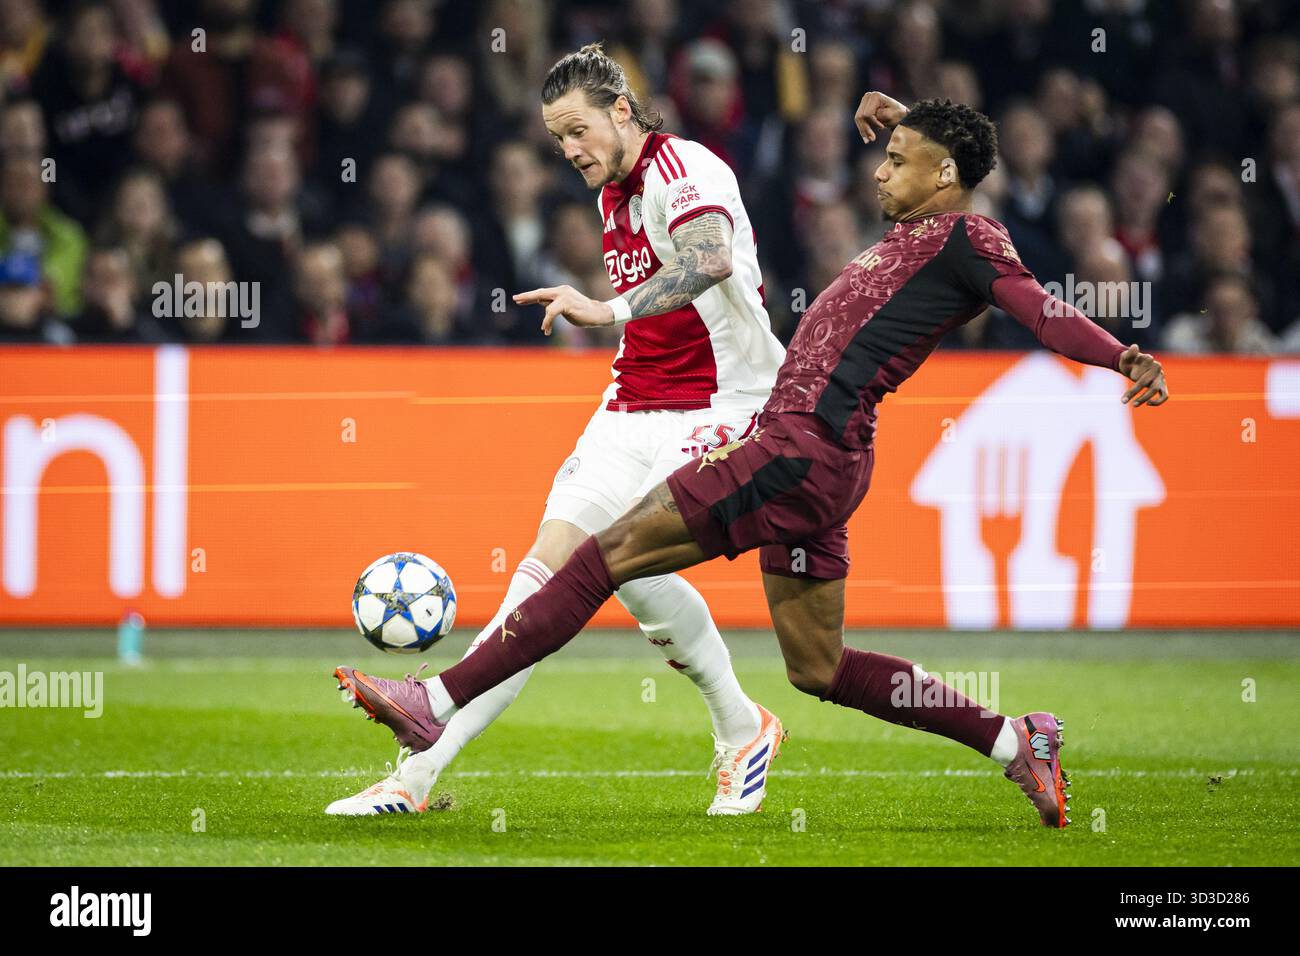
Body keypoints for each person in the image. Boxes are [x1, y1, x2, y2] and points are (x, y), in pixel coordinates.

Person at [333, 92, 1171, 828]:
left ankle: (437, 701)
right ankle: (1014, 739)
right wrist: (902, 113)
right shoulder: (927, 224)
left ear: (945, 174)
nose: (879, 172)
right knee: (819, 666)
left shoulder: (971, 242)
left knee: (604, 556)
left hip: (795, 448)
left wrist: (1118, 355)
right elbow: (939, 140)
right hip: (822, 455)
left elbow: (1040, 311)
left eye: (898, 160)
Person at [327, 44, 789, 817]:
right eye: (556, 140)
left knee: (619, 565)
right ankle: (414, 780)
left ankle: (740, 729)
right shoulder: (610, 190)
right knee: (548, 574)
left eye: (577, 131)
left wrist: (603, 309)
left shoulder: (687, 171)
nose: (569, 151)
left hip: (722, 406)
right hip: (632, 403)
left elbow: (708, 262)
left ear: (621, 110)